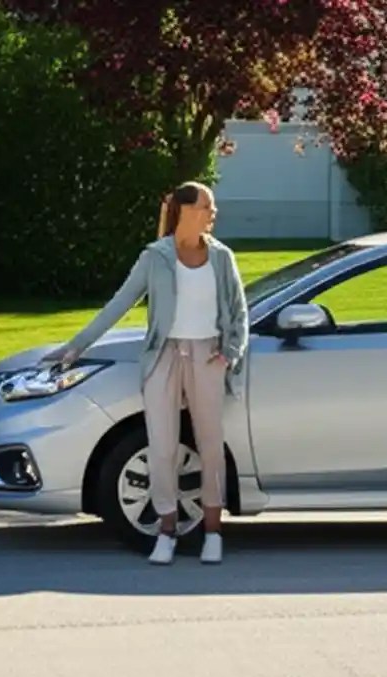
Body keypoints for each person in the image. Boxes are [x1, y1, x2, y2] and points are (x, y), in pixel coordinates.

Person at [43, 181, 248, 564]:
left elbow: (239, 313)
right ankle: (166, 531)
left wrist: (229, 354)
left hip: (208, 356)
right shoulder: (155, 257)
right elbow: (119, 303)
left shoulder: (222, 258)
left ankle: (213, 532)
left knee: (210, 446)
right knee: (162, 448)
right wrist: (77, 346)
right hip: (164, 356)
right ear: (186, 211)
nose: (213, 213)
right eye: (207, 206)